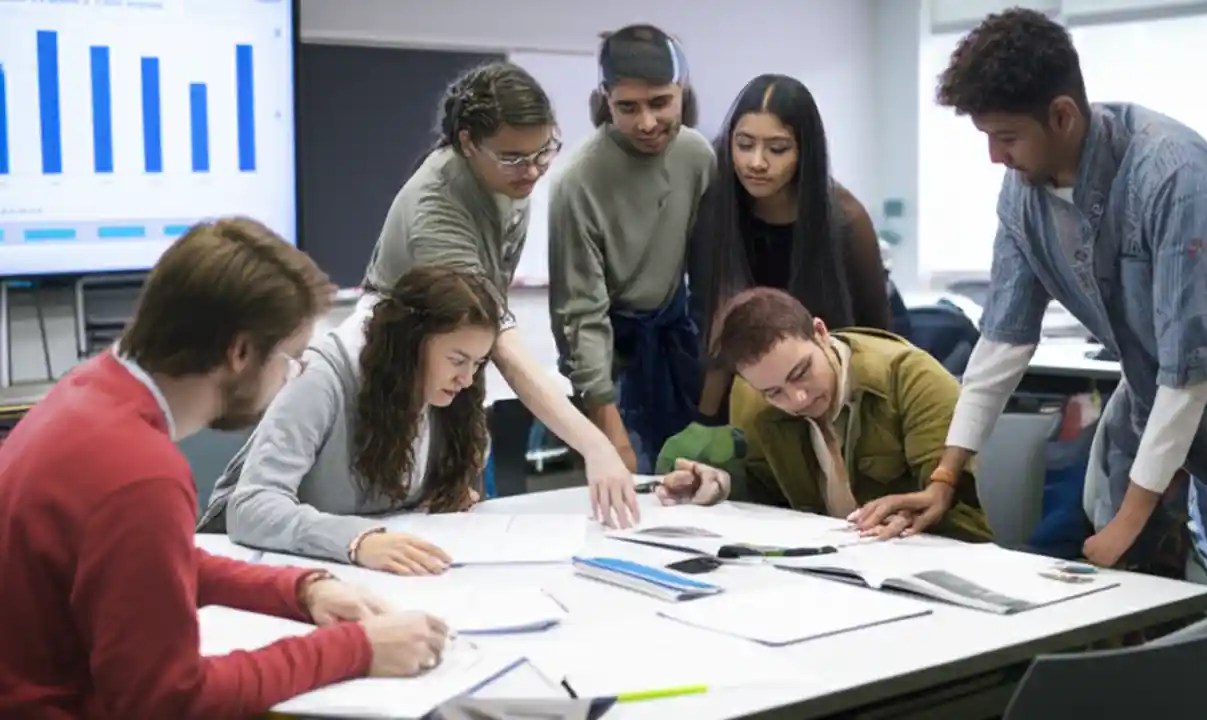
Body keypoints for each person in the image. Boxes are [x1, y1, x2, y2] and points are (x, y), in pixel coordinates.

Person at [906, 7, 1207, 638]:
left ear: (1062, 116)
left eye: (1006, 137)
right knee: (1180, 608)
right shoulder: (1024, 192)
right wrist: (946, 475)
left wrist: (1129, 521)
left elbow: (1192, 369)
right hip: (1165, 413)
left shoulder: (1172, 176)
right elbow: (1002, 340)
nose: (994, 156)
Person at [0, 218, 449, 718]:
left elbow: (152, 566)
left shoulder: (85, 391)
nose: (292, 377)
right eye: (291, 359)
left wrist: (300, 589)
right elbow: (168, 699)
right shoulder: (140, 473)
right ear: (240, 353)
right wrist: (357, 649)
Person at [360, 61, 638, 527]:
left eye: (544, 152)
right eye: (513, 158)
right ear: (468, 142)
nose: (532, 171)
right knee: (405, 524)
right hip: (393, 386)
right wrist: (595, 443)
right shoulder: (436, 208)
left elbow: (488, 322)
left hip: (453, 378)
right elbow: (499, 340)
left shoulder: (507, 179)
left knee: (465, 515)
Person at [198, 266, 502, 576]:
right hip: (262, 569)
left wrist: (441, 497)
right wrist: (357, 540)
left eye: (478, 363)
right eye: (457, 360)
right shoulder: (320, 379)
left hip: (370, 577)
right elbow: (251, 507)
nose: (467, 379)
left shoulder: (446, 394)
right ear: (411, 343)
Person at [662, 287, 993, 542]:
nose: (798, 398)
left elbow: (958, 513)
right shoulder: (752, 399)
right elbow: (769, 496)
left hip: (918, 563)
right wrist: (722, 485)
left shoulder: (912, 379)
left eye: (801, 372)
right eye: (774, 392)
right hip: (828, 571)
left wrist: (911, 519)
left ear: (820, 333)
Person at [549, 24, 716, 474]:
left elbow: (709, 281)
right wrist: (607, 421)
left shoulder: (697, 157)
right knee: (631, 488)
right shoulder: (579, 182)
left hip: (679, 352)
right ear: (606, 99)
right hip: (612, 365)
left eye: (660, 103)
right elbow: (580, 313)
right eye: (628, 107)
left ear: (682, 91)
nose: (646, 122)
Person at [686, 73, 892, 426]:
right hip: (742, 400)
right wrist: (705, 423)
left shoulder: (846, 221)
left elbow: (879, 337)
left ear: (804, 152)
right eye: (744, 144)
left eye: (777, 148)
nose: (756, 162)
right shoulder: (716, 210)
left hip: (831, 401)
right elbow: (714, 330)